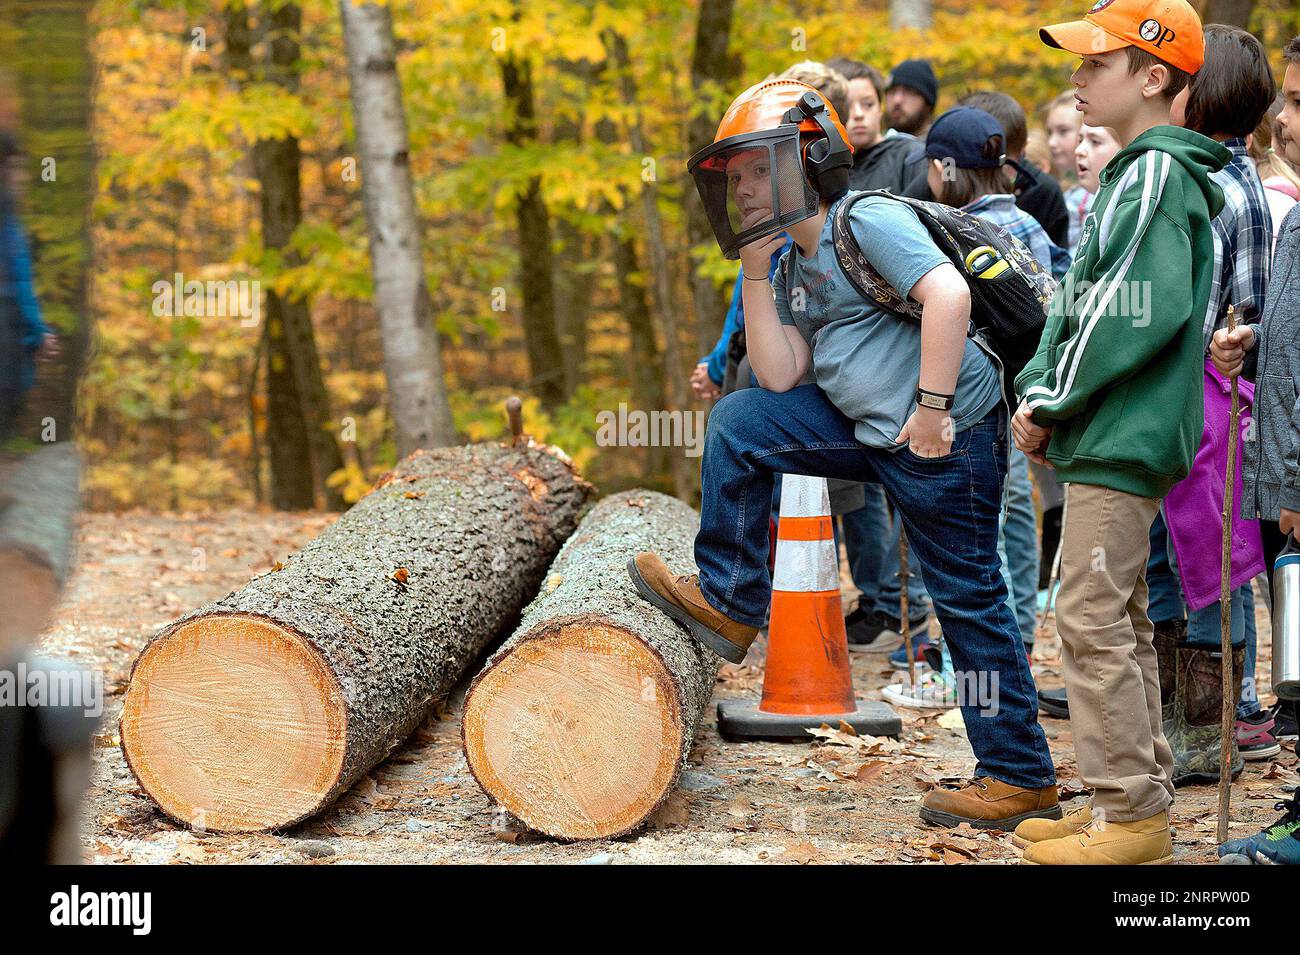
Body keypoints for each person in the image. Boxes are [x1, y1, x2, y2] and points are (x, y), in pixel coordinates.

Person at [633, 78, 1059, 830]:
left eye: (761, 169)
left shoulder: (867, 218)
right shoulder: (791, 263)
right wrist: (757, 272)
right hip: (872, 431)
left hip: (944, 434)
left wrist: (931, 411)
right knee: (740, 420)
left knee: (968, 600)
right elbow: (780, 375)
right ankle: (732, 600)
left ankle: (1020, 776)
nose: (745, 190)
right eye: (735, 179)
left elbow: (949, 297)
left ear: (811, 159)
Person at [1011, 0, 1228, 864]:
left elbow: (1125, 309)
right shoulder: (1138, 174)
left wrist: (1049, 396)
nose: (1077, 78)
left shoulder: (1152, 176)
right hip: (1112, 433)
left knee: (1089, 616)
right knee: (1121, 620)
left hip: (1118, 434)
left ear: (1153, 77)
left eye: (1093, 64)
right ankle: (1126, 797)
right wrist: (1044, 381)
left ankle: (1130, 816)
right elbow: (1078, 300)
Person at [921, 105, 1069, 660]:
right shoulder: (1027, 222)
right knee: (1016, 509)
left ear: (946, 169)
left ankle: (986, 652)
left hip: (979, 399)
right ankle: (1021, 632)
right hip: (1027, 393)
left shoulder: (956, 232)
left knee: (982, 526)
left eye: (931, 169)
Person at [1211, 34, 1300, 768]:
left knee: (1243, 575)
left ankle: (1242, 713)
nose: (1285, 121)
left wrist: (1292, 475)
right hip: (1270, 444)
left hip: (1266, 450)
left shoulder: (1248, 192)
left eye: (1298, 104)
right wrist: (1251, 341)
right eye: (1285, 102)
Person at [958, 91, 1070, 247]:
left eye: (1001, 165)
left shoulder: (1043, 191)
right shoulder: (941, 180)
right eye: (977, 167)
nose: (989, 177)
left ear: (1023, 149)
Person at [1043, 90, 1089, 251]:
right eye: (1049, 133)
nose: (1051, 142)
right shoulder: (1069, 189)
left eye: (1063, 131)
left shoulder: (1093, 194)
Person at [885, 59, 937, 139]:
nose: (897, 100)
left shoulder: (940, 149)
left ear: (928, 103)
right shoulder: (875, 147)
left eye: (909, 92)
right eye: (892, 91)